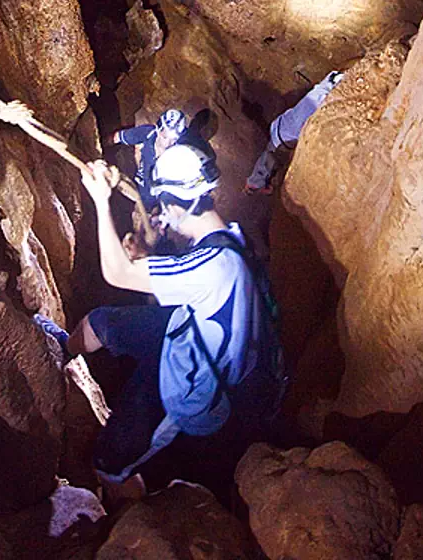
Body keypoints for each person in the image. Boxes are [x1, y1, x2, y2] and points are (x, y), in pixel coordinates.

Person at [37, 142, 286, 500]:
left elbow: (117, 273)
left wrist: (100, 200)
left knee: (109, 464)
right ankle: (61, 353)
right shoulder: (231, 239)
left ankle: (132, 516)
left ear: (175, 203)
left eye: (164, 207)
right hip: (191, 332)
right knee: (100, 323)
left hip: (194, 389)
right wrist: (149, 250)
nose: (161, 216)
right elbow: (187, 277)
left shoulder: (213, 267)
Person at [245, 70, 345, 194]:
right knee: (271, 157)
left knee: (310, 106)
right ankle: (254, 184)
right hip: (282, 129)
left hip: (284, 133)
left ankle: (255, 183)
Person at [109, 109, 188, 211]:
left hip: (155, 200)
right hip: (138, 185)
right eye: (165, 137)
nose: (168, 144)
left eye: (173, 139)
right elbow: (117, 137)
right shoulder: (149, 133)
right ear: (158, 130)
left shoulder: (179, 155)